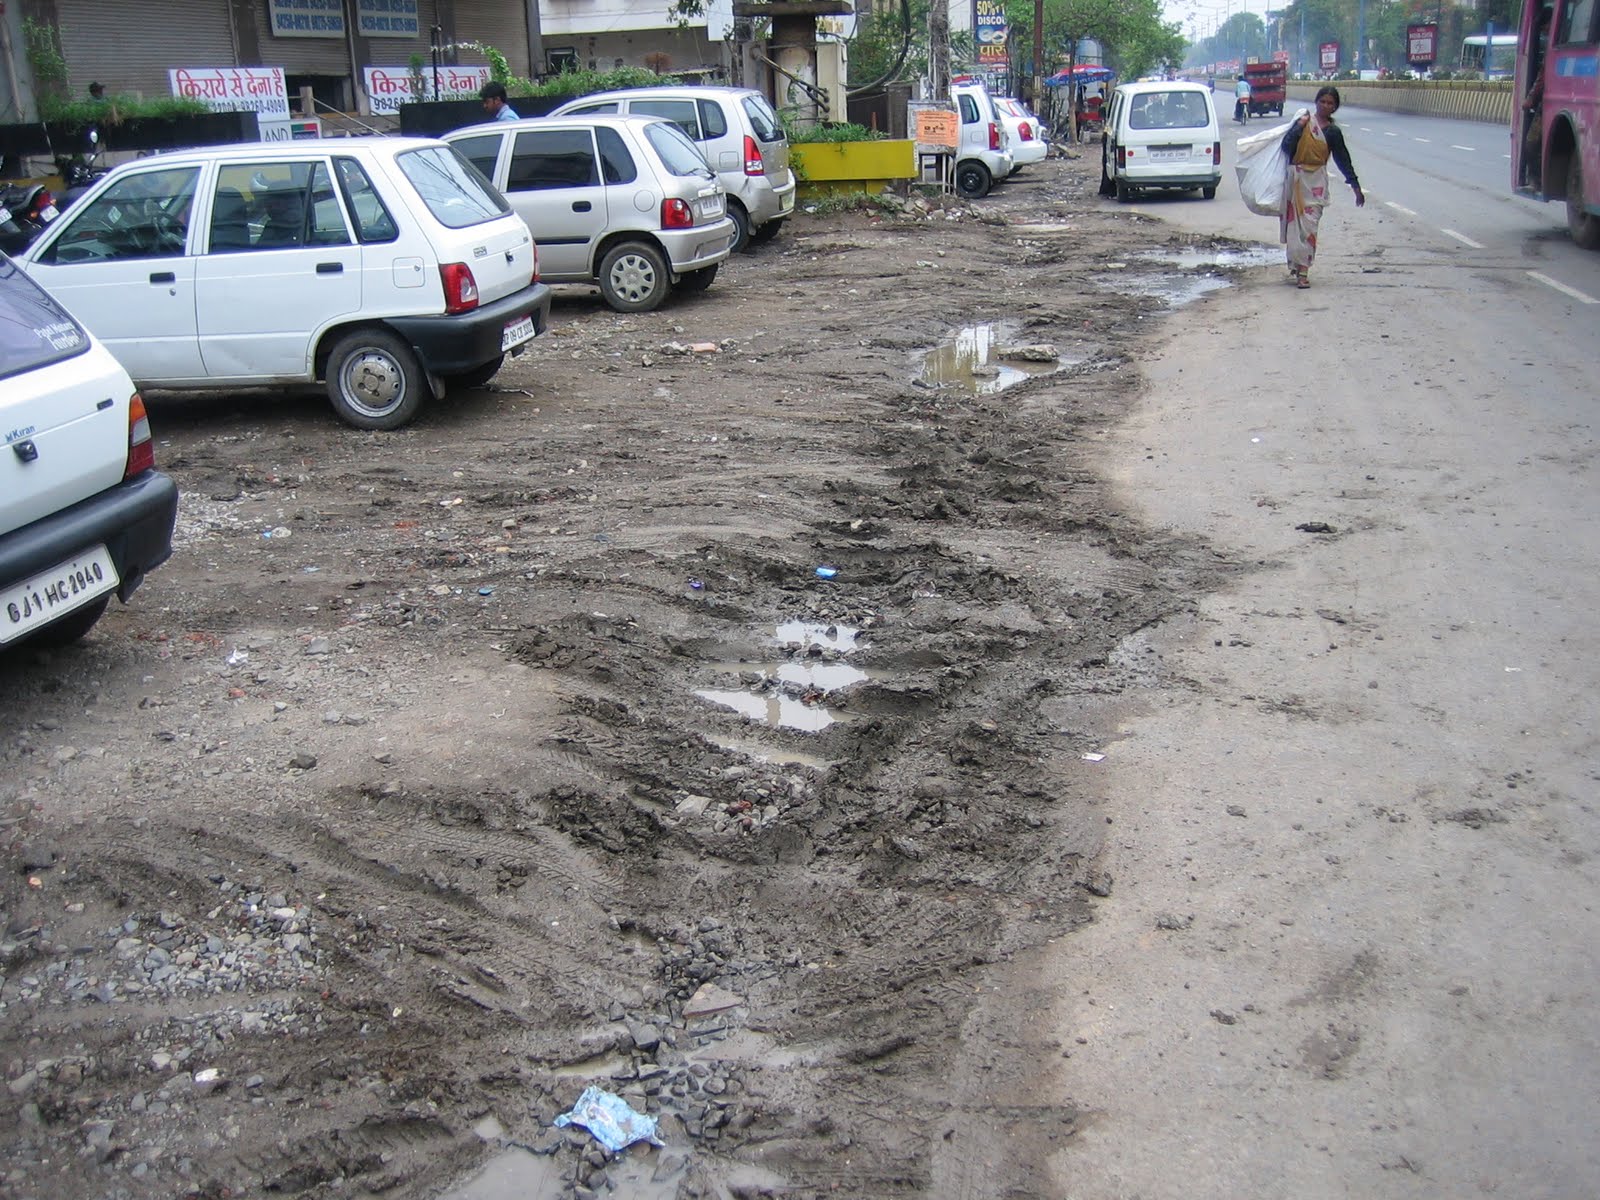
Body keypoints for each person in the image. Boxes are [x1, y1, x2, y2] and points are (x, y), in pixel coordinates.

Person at [1279, 85, 1364, 289]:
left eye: (1330, 103)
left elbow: (1343, 159)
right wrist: (1300, 125)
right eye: (1323, 101)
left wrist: (1355, 186)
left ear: (1335, 107)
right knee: (1295, 226)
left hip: (1316, 182)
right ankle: (1297, 266)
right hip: (1297, 179)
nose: (1326, 106)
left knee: (1310, 225)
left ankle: (1304, 271)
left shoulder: (1333, 132)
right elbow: (1286, 147)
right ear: (1316, 102)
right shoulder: (1304, 123)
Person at [1522, 7, 1553, 188]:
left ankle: (1537, 181)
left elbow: (1542, 76)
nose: (1544, 33)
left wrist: (1530, 99)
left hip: (1548, 102)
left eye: (1544, 29)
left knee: (1531, 142)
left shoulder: (1555, 49)